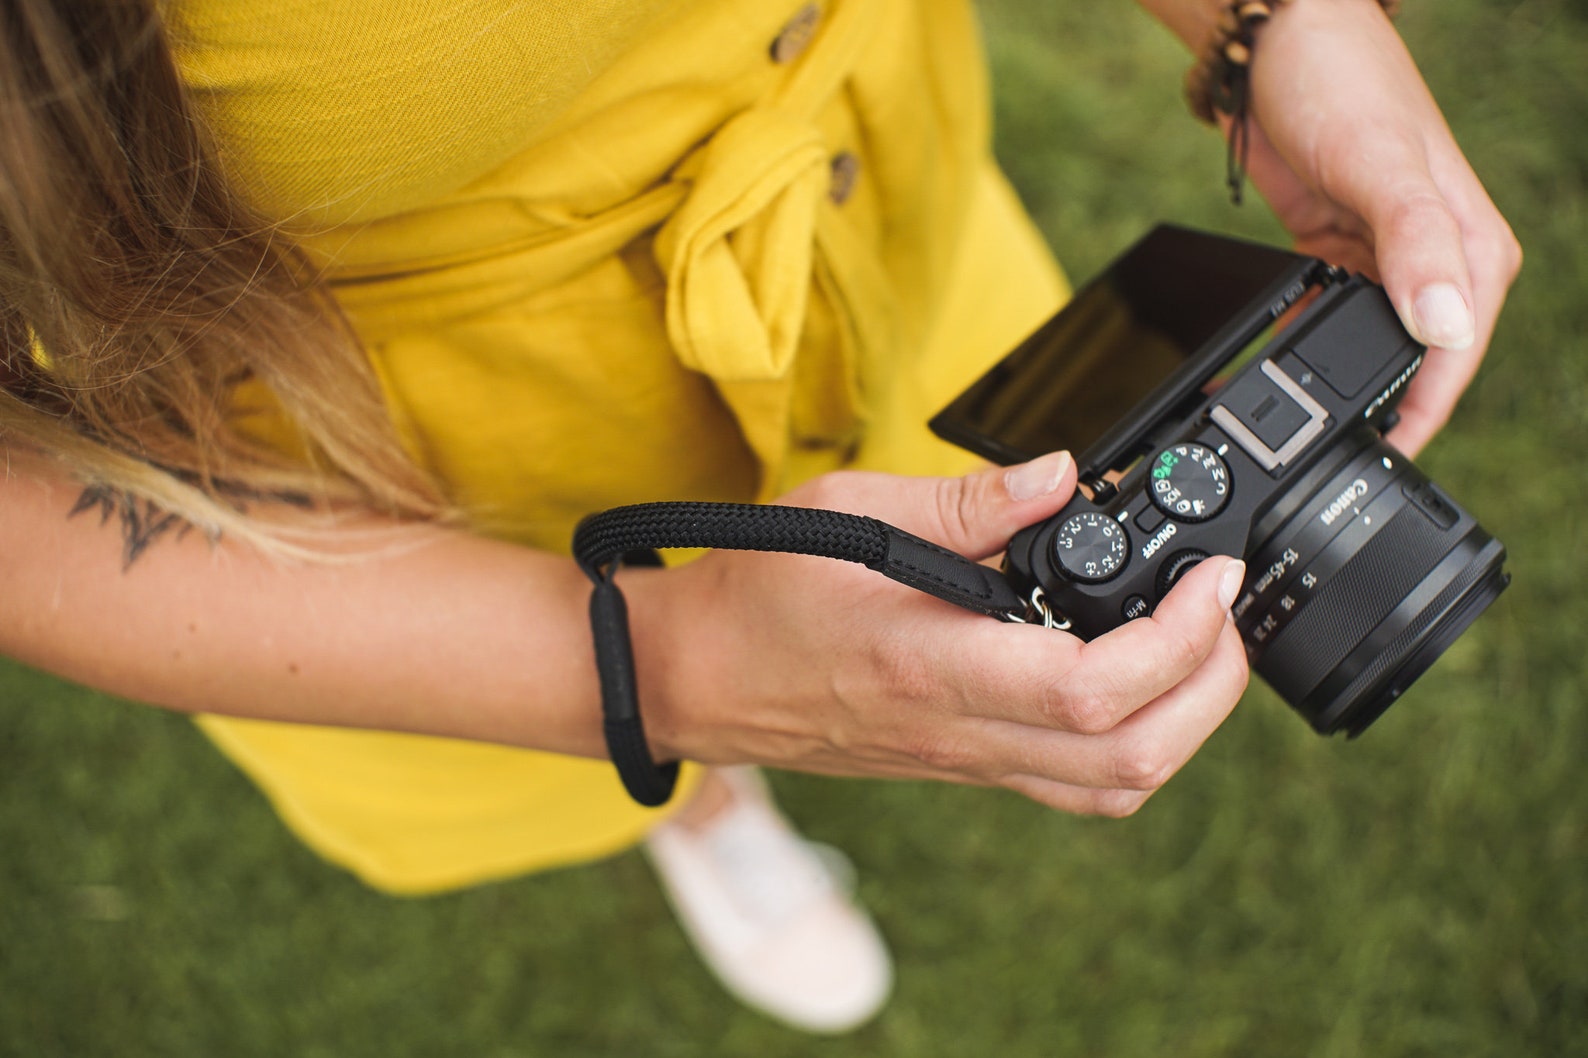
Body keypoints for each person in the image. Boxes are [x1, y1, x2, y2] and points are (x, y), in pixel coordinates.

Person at [0, 0, 1518, 1035]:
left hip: (878, 242)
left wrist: (1272, 24)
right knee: (627, 750)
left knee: (1012, 486)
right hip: (437, 483)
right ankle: (706, 800)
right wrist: (665, 672)